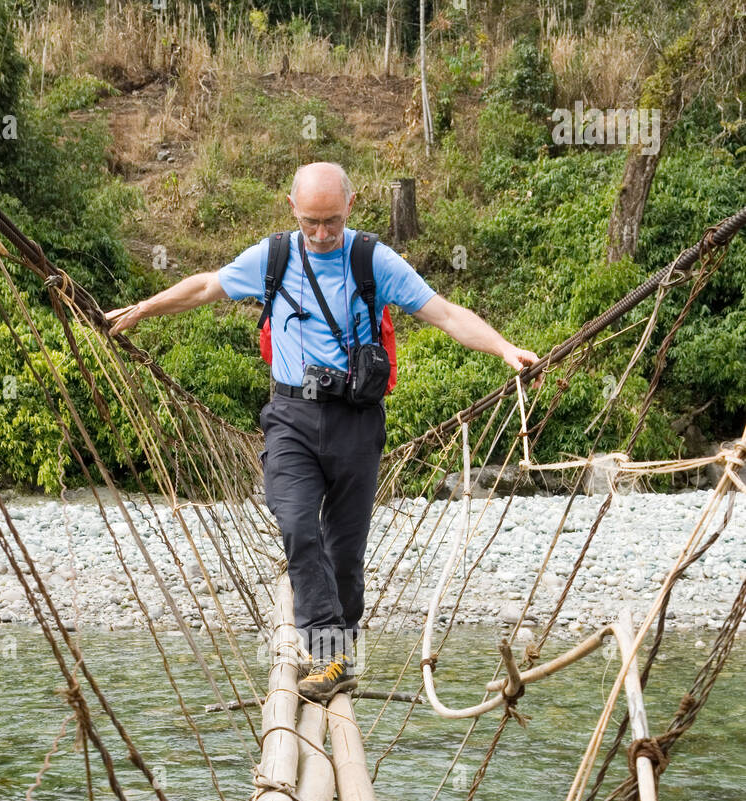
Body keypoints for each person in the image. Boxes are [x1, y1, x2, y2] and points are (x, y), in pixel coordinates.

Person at [106, 162, 538, 702]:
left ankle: (338, 655)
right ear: (293, 209)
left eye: (331, 221)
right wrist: (144, 309)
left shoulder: (371, 259)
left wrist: (503, 347)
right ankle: (330, 657)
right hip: (289, 416)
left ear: (350, 208)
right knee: (296, 526)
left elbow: (445, 314)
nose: (321, 234)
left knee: (345, 552)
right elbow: (207, 286)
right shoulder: (275, 256)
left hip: (356, 421)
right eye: (311, 221)